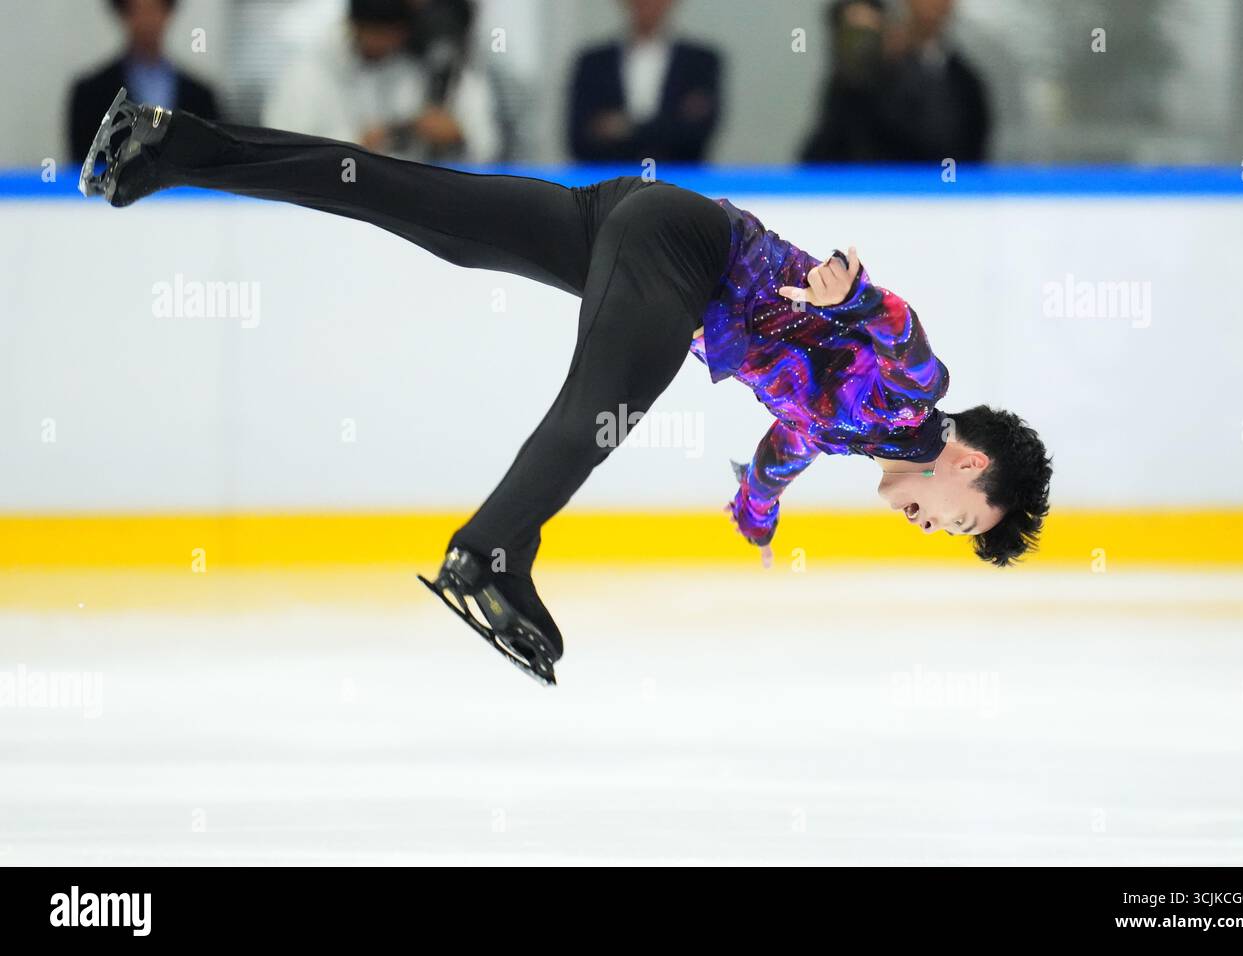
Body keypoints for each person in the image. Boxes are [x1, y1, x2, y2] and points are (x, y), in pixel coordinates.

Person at [78, 91, 1051, 686]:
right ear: (968, 463)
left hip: (631, 221)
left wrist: (756, 510)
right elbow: (908, 346)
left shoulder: (851, 433)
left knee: (420, 207)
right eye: (960, 521)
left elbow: (787, 442)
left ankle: (175, 146)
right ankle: (493, 547)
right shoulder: (913, 404)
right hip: (683, 253)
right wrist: (858, 299)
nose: (933, 529)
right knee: (602, 410)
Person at [263, 0, 499, 163]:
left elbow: (485, 145)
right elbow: (282, 149)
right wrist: (355, 142)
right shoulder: (308, 73)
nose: (389, 42)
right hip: (319, 199)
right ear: (355, 25)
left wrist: (454, 135)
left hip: (397, 197)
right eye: (380, 33)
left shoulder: (413, 70)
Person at [801, 0, 990, 163]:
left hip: (935, 196)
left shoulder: (964, 82)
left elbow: (962, 148)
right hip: (865, 193)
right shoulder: (867, 75)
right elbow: (832, 142)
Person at [568, 0, 722, 163]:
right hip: (610, 180)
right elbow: (579, 139)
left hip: (680, 181)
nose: (647, 3)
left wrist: (624, 127)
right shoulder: (593, 62)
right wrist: (666, 125)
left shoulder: (701, 62)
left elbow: (696, 135)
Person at [67, 0, 219, 162]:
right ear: (123, 15)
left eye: (154, 10)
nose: (147, 21)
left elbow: (213, 160)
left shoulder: (201, 97)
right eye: (138, 11)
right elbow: (84, 165)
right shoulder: (90, 95)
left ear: (168, 13)